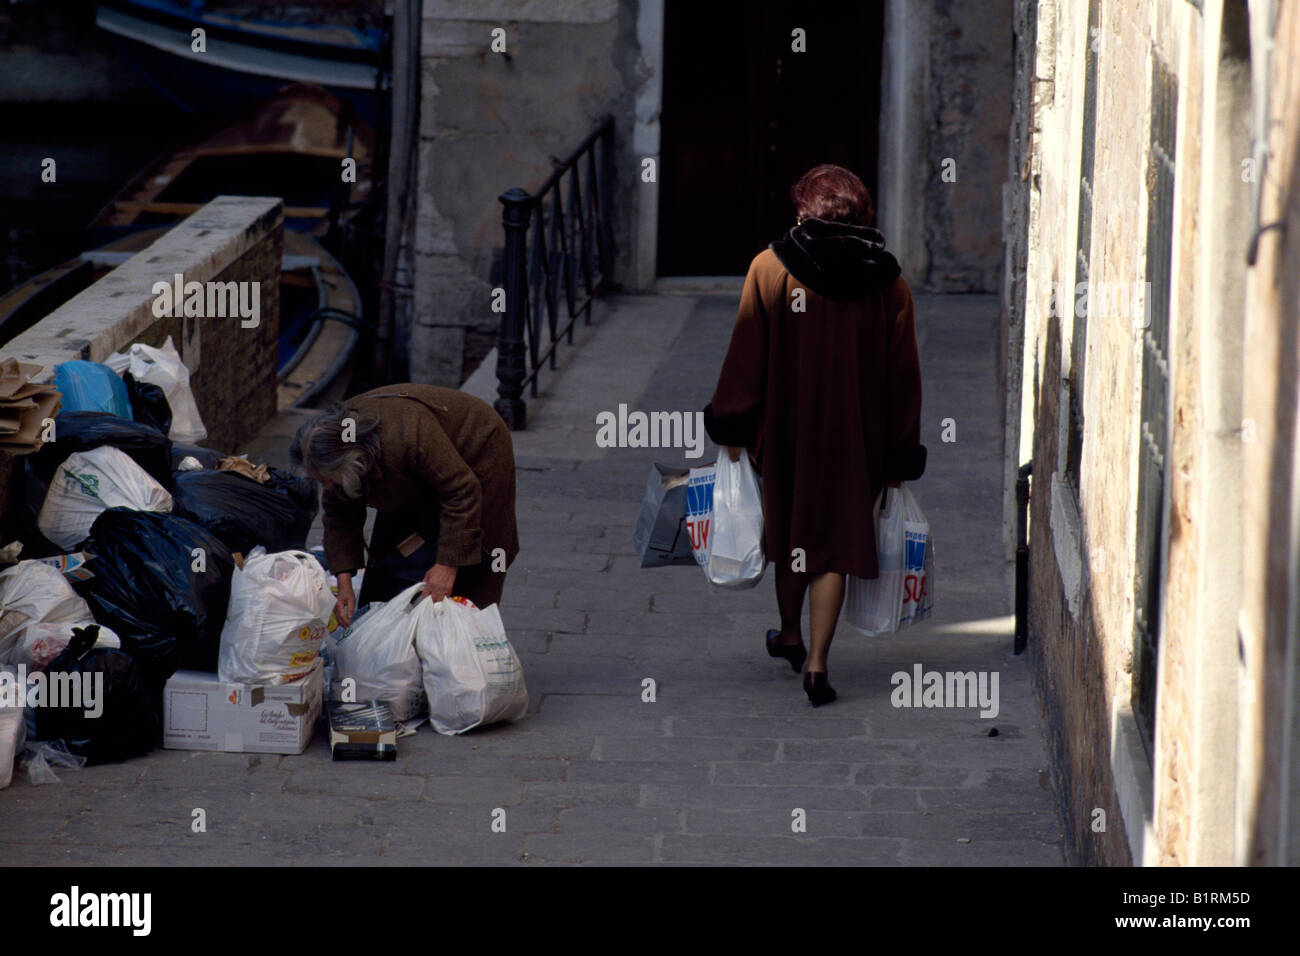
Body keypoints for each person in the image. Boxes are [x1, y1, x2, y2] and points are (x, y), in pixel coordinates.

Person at [703, 164, 926, 707]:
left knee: (792, 534)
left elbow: (746, 354)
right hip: (859, 438)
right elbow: (904, 376)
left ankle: (790, 632)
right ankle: (817, 663)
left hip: (787, 432)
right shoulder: (889, 283)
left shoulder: (770, 268)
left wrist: (732, 423)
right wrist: (900, 453)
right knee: (835, 545)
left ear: (804, 211)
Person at [290, 384, 519, 625]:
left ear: (352, 463)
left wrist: (447, 566)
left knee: (473, 558)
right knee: (394, 556)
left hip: (477, 447)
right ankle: (390, 621)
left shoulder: (407, 435)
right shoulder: (338, 452)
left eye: (327, 480)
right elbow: (339, 515)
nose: (326, 487)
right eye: (321, 481)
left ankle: (471, 629)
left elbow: (461, 491)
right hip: (414, 462)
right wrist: (344, 582)